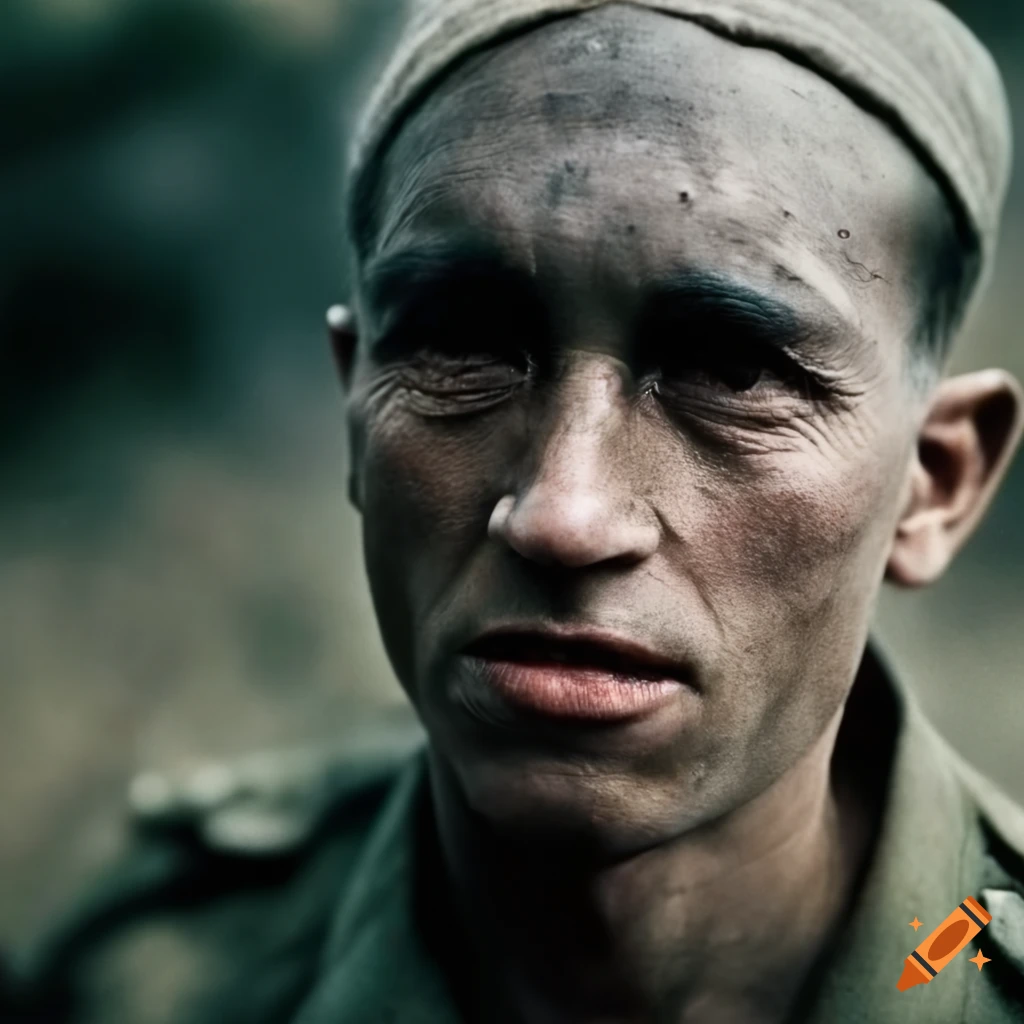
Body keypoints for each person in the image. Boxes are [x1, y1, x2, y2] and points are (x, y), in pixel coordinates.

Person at [7, 0, 1024, 1021]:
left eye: (730, 367)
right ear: (357, 408)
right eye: (460, 345)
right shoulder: (141, 973)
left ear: (934, 483)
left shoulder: (978, 967)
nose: (562, 515)